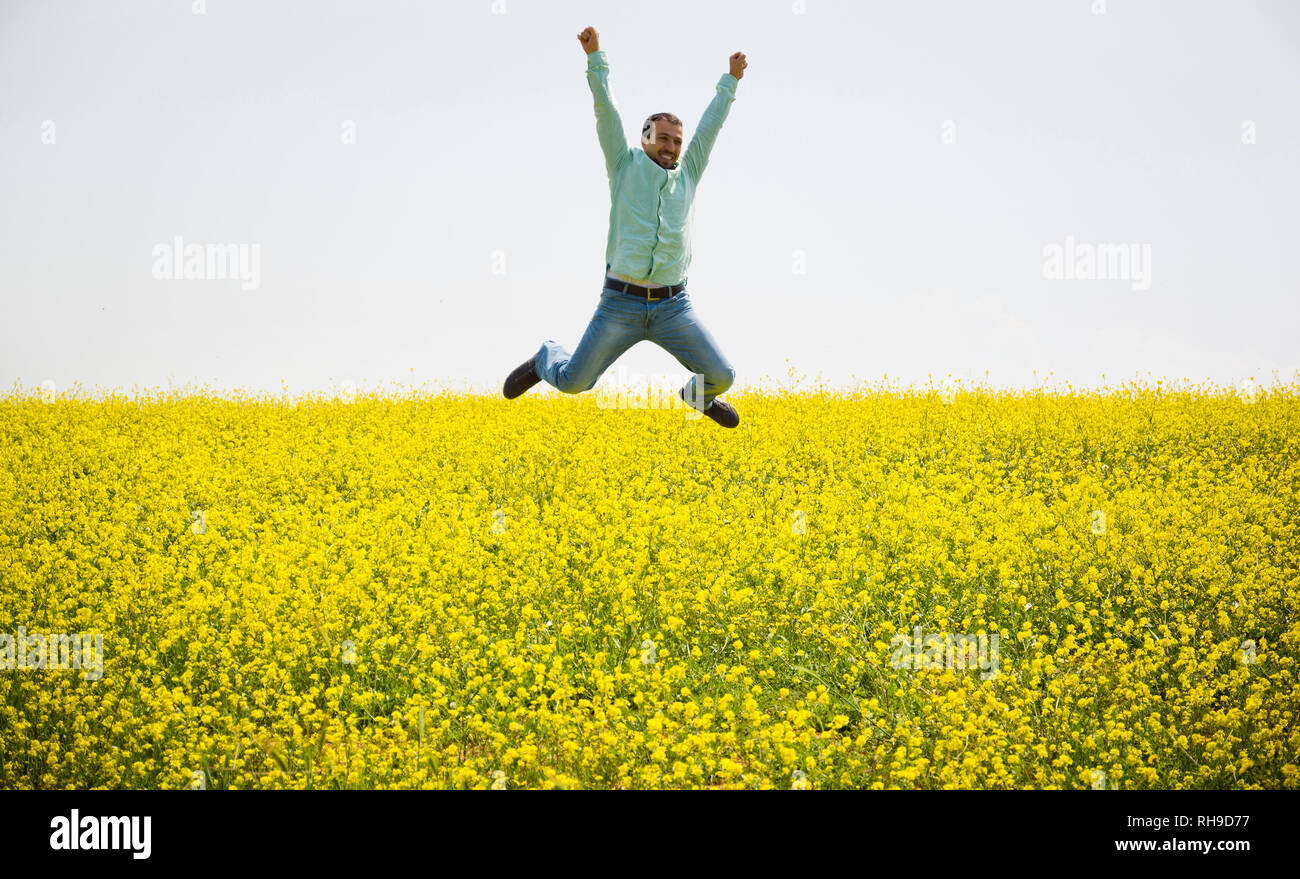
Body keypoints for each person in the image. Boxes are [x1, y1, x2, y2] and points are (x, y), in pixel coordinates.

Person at [502, 25, 747, 428]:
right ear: (646, 138)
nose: (671, 148)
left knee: (723, 376)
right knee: (573, 382)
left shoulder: (688, 174)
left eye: (676, 142)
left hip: (673, 307)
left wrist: (730, 81)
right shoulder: (624, 164)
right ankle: (546, 355)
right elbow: (606, 112)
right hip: (621, 303)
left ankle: (696, 397)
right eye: (663, 139)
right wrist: (595, 58)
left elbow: (709, 129)